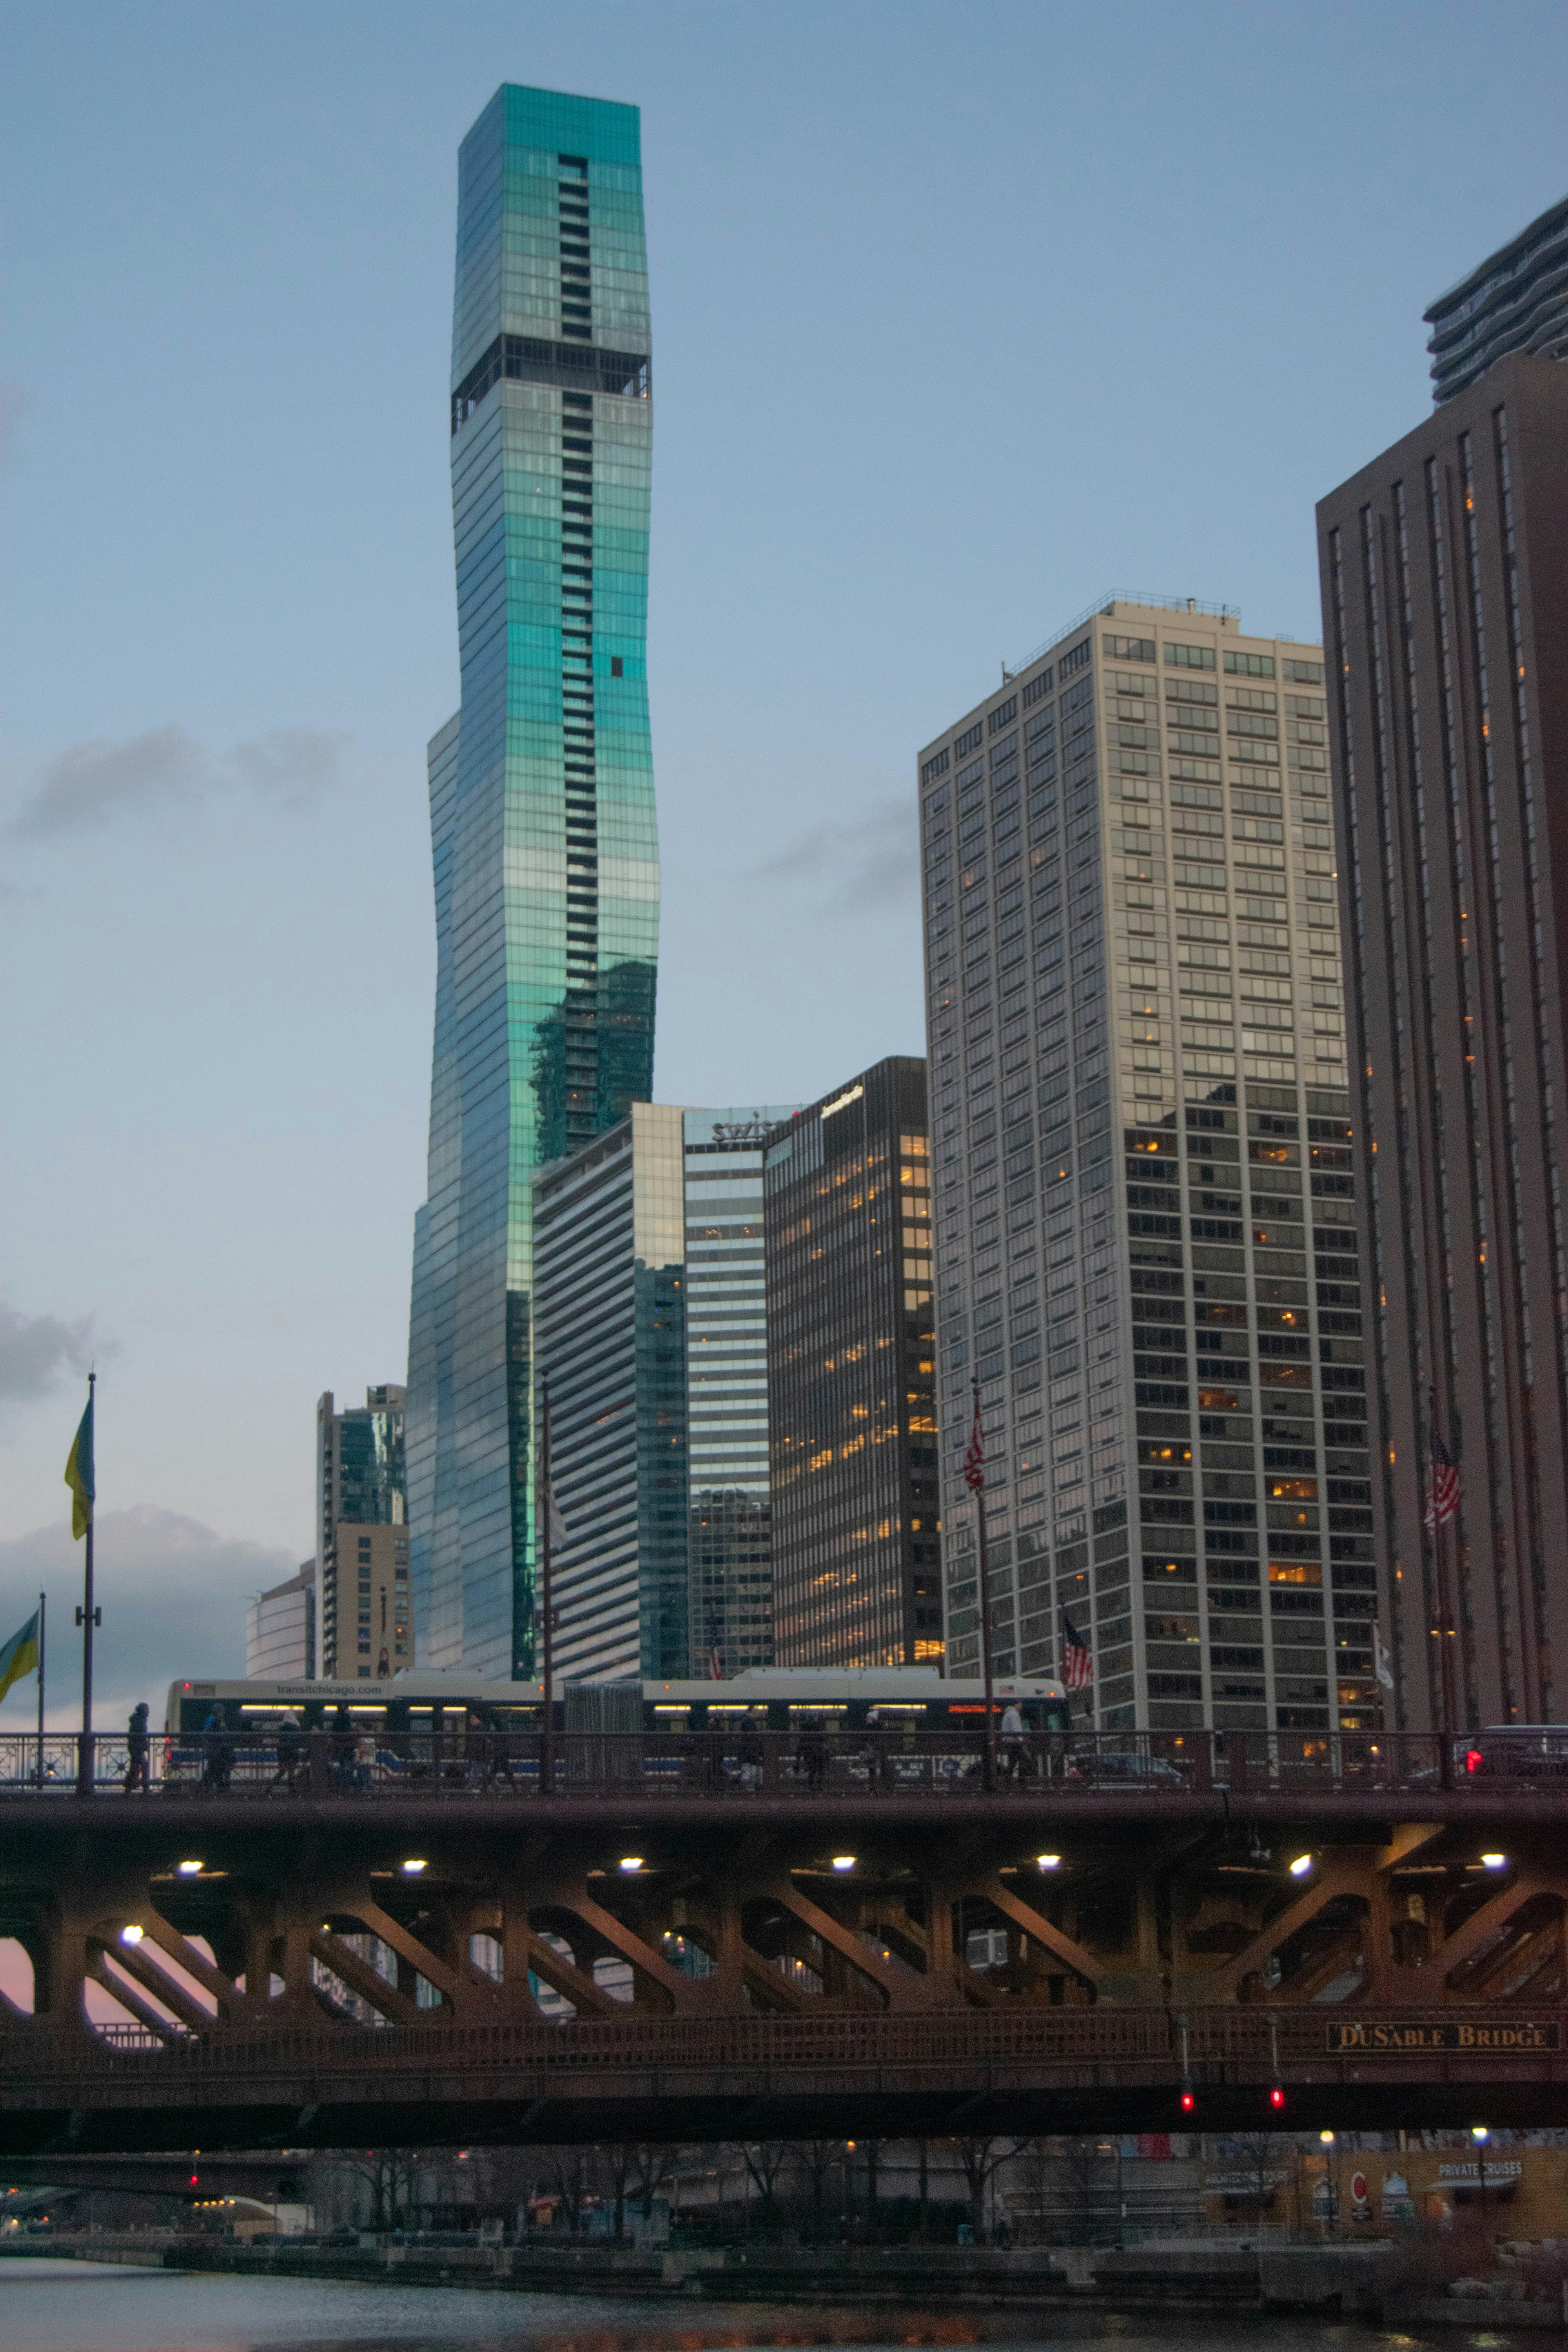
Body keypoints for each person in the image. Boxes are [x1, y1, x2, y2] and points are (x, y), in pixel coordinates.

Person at [271, 1709, 305, 1791]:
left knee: (282, 1771)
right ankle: (291, 1789)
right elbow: (299, 1739)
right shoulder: (296, 1727)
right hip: (293, 1752)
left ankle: (270, 1787)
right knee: (292, 1771)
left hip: (283, 1753)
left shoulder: (283, 1727)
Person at [123, 1701, 151, 1795]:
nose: (148, 1712)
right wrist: (144, 1743)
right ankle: (145, 1787)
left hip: (135, 1747)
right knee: (143, 1765)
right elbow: (141, 1735)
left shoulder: (136, 1719)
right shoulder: (140, 1720)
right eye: (147, 1709)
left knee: (135, 1766)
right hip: (138, 1747)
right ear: (143, 1711)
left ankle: (129, 1787)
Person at [999, 1699, 1026, 1783]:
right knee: (1021, 1760)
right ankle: (1021, 1779)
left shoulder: (1007, 1714)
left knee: (1013, 1761)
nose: (1021, 1707)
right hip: (1015, 1742)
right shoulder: (1014, 1714)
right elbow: (1016, 1730)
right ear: (1016, 1705)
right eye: (1020, 1704)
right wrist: (1021, 1740)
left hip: (1009, 1742)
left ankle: (1008, 1778)